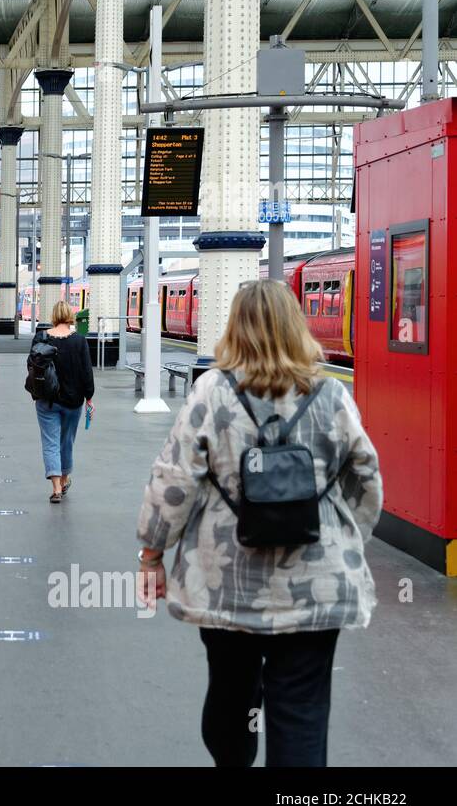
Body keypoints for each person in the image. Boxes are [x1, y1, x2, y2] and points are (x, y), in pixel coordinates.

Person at [135, 278, 382, 767]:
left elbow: (175, 480)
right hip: (316, 587)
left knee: (230, 698)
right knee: (302, 712)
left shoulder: (212, 392)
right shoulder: (331, 395)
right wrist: (338, 535)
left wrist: (152, 554)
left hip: (226, 584)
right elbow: (366, 477)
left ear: (234, 328)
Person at [33, 300, 94, 504]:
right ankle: (65, 479)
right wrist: (89, 398)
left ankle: (56, 488)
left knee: (50, 443)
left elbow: (32, 367)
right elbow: (87, 373)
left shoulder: (41, 338)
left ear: (54, 315)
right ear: (70, 315)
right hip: (73, 401)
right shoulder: (79, 341)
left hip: (46, 400)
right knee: (66, 442)